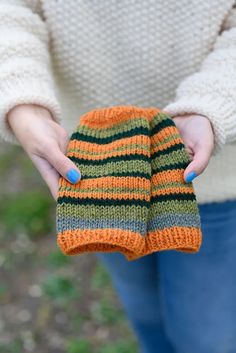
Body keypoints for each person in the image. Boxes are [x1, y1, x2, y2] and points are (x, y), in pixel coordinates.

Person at [1, 1, 236, 352]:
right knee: (144, 311)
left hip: (210, 177)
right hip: (96, 173)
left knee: (205, 335)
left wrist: (211, 103)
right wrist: (22, 101)